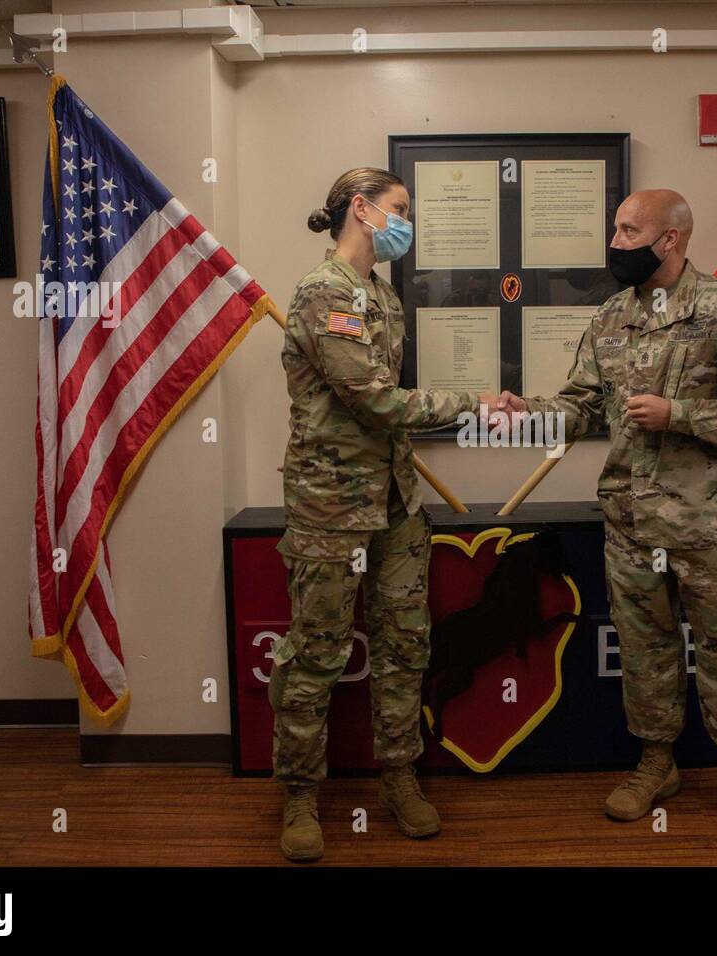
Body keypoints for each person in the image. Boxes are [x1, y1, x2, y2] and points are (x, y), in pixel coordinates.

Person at [494, 189, 717, 835]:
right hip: (633, 522)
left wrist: (679, 414)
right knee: (645, 651)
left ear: (671, 240)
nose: (616, 242)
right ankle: (656, 762)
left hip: (713, 525)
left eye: (629, 230)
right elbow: (582, 406)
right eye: (616, 229)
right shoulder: (609, 318)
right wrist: (530, 412)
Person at [271, 166, 497, 863]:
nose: (407, 222)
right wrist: (472, 403)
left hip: (395, 504)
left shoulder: (383, 297)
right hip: (332, 504)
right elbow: (374, 400)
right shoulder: (323, 294)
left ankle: (399, 774)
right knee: (316, 653)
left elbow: (387, 410)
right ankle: (301, 795)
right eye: (399, 209)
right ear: (362, 210)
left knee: (405, 645)